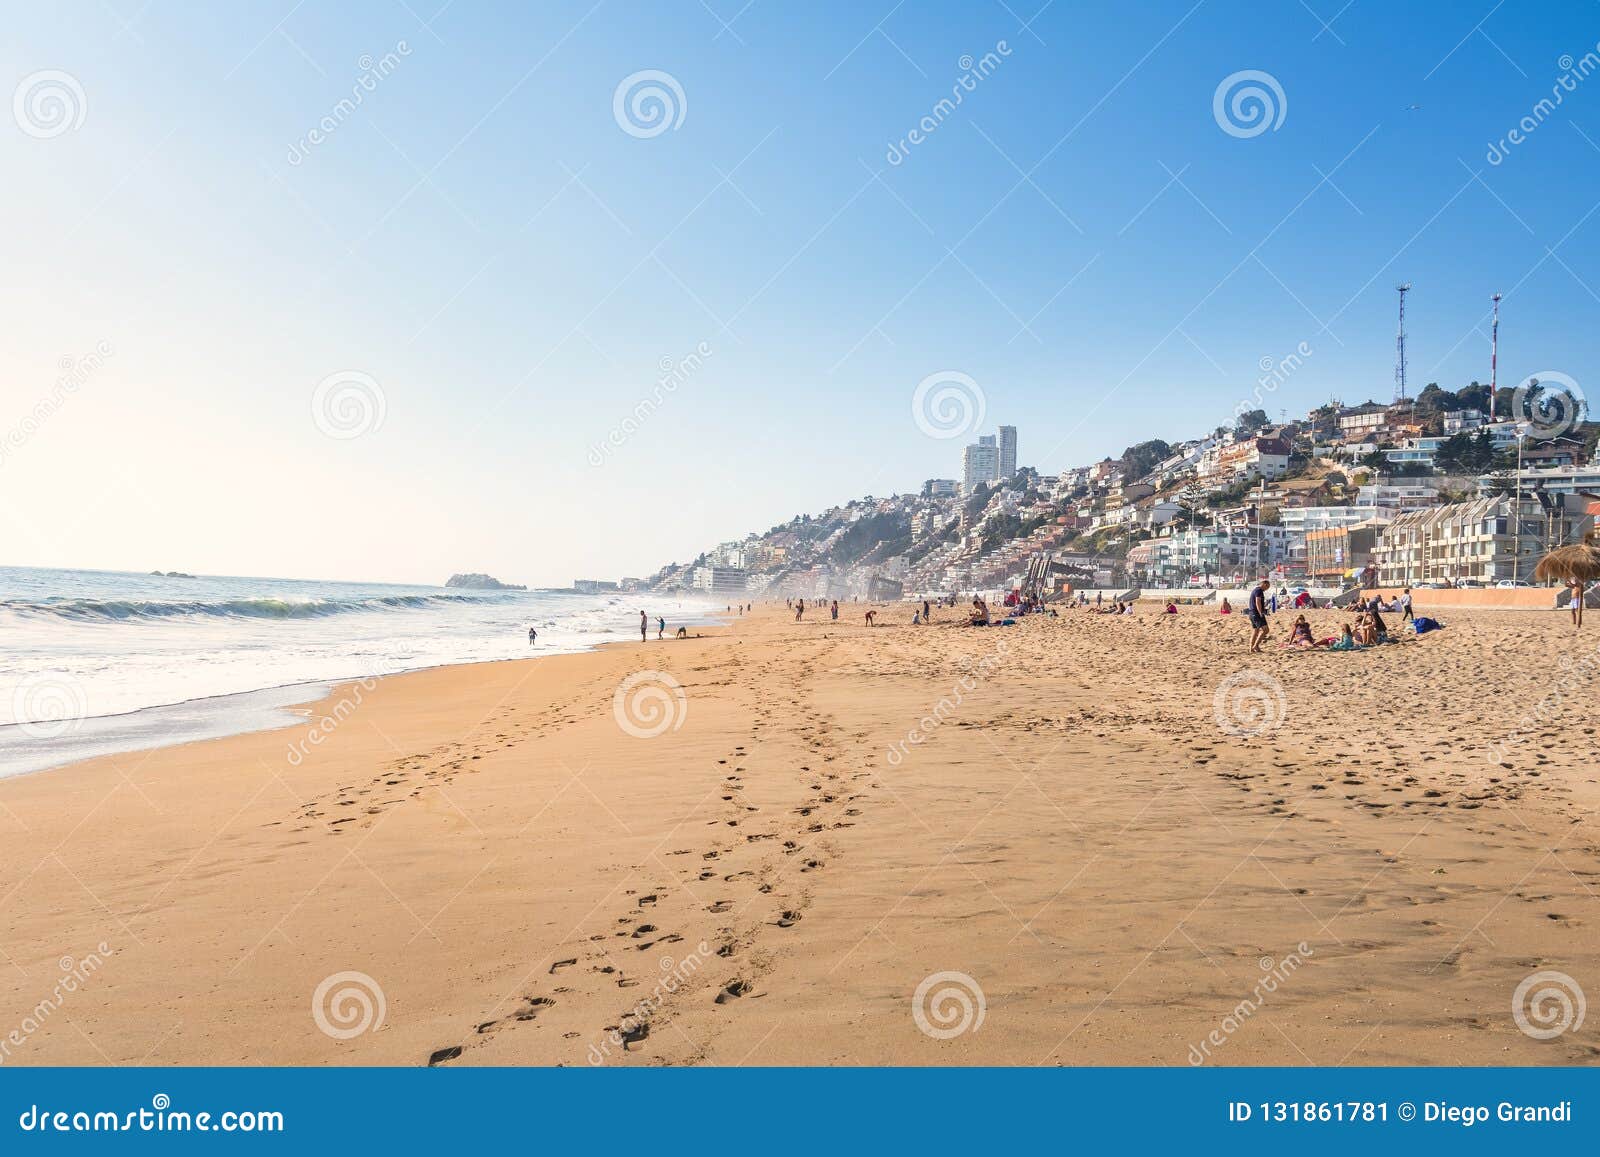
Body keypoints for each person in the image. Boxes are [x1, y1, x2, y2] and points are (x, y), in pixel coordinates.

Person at [1247, 579, 1270, 653]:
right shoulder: (1259, 590)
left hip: (1251, 613)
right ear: (1264, 584)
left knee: (1256, 630)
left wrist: (1264, 610)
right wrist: (1261, 612)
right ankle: (1256, 646)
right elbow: (1257, 602)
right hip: (1256, 613)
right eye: (1267, 587)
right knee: (1266, 630)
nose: (1267, 589)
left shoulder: (1255, 590)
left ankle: (1251, 648)